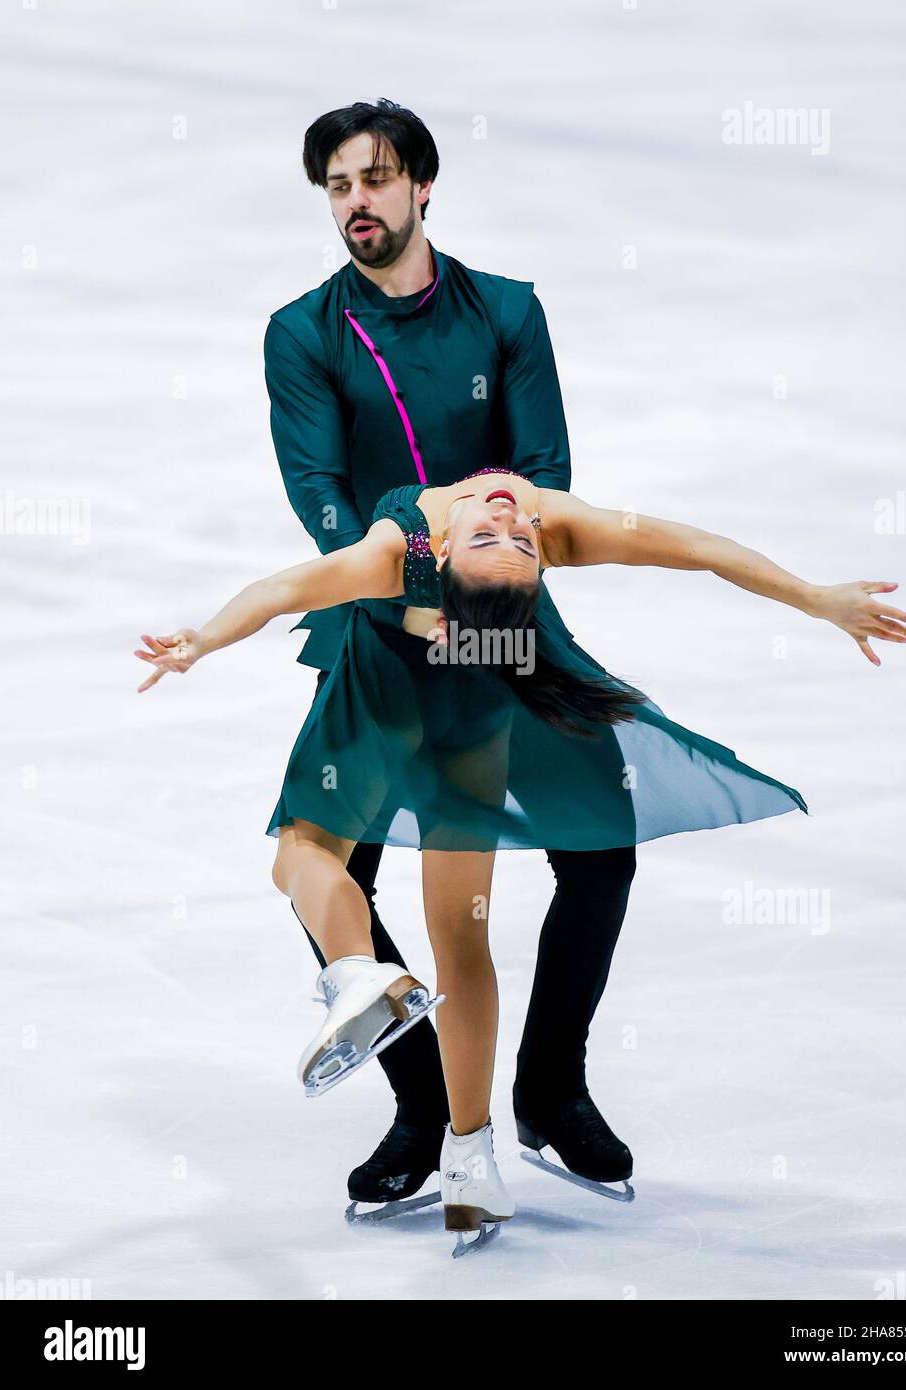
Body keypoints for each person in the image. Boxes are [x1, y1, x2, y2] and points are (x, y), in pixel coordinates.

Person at [134, 466, 906, 1244]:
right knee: (435, 925)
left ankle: (360, 980)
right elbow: (697, 547)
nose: (511, 517)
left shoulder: (402, 548)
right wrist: (811, 598)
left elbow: (282, 589)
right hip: (434, 700)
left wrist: (201, 641)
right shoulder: (524, 526)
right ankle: (466, 1149)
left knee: (313, 857)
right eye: (502, 535)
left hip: (427, 703)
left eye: (513, 537)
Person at [262, 97, 643, 1206]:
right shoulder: (303, 332)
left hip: (508, 623)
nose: (357, 204)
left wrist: (476, 586)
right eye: (338, 186)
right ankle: (423, 1102)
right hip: (385, 622)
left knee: (603, 851)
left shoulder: (508, 313)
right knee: (328, 864)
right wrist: (403, 588)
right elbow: (319, 493)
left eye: (375, 180)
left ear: (423, 186)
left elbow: (540, 468)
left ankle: (551, 1089)